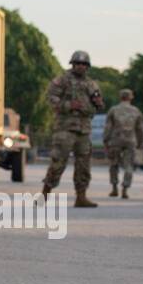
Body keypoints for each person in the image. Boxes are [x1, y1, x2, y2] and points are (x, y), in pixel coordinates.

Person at [43, 50, 105, 207]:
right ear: (72, 64)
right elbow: (50, 98)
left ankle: (81, 196)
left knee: (84, 165)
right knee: (58, 161)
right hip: (65, 128)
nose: (80, 67)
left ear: (88, 66)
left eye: (84, 64)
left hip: (84, 130)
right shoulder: (62, 80)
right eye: (77, 63)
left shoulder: (92, 84)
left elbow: (97, 103)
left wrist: (98, 103)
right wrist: (68, 105)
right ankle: (44, 194)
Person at [104, 89, 143, 199]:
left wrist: (105, 140)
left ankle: (114, 188)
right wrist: (141, 142)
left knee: (114, 164)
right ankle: (125, 189)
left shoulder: (113, 110)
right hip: (130, 140)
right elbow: (140, 129)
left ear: (120, 97)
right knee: (129, 165)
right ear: (131, 97)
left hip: (116, 140)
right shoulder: (136, 111)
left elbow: (108, 127)